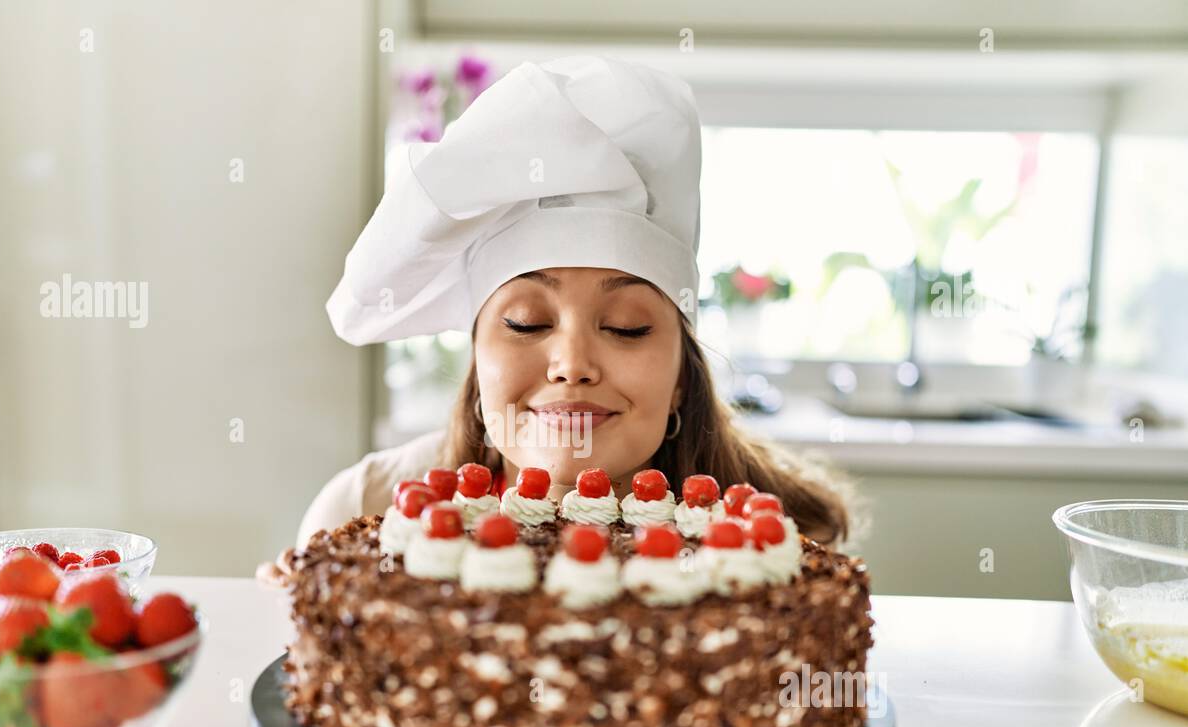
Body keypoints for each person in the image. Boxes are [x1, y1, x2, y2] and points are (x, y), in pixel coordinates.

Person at [298, 56, 851, 548]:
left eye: (627, 327)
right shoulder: (363, 510)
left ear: (683, 375)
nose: (572, 365)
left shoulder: (780, 544)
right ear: (475, 356)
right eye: (526, 322)